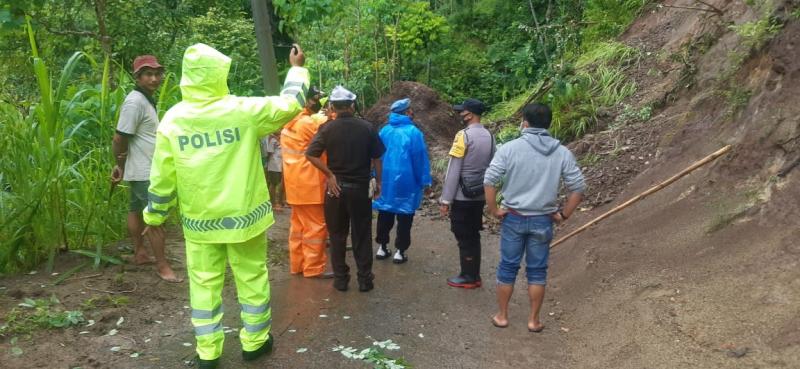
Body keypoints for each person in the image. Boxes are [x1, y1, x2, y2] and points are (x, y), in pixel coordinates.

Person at [142, 43, 309, 369]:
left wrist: (155, 215)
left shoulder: (174, 120)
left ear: (187, 79)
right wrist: (297, 68)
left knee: (203, 285)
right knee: (252, 278)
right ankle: (255, 343)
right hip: (244, 217)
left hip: (201, 223)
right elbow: (291, 104)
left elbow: (161, 177)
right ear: (220, 74)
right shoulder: (242, 111)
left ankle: (208, 352)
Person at [484, 103, 585, 332]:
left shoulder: (510, 149)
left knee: (508, 268)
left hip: (514, 217)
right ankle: (533, 321)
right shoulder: (562, 152)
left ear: (525, 123)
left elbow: (489, 181)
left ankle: (502, 316)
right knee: (537, 271)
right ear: (548, 124)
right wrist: (564, 214)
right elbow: (578, 188)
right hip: (543, 220)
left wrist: (494, 210)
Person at [306, 86, 385, 292]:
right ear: (352, 105)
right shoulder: (366, 128)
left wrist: (330, 175)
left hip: (335, 190)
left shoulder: (327, 128)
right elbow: (377, 157)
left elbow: (311, 154)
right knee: (362, 234)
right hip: (360, 190)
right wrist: (379, 182)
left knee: (337, 235)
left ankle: (341, 280)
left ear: (332, 106)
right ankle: (365, 280)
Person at [110, 55, 181, 283]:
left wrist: (121, 165)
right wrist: (120, 165)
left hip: (142, 166)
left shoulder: (145, 99)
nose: (154, 78)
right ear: (138, 77)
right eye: (148, 74)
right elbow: (119, 138)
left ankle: (140, 252)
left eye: (157, 73)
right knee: (155, 217)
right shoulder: (135, 102)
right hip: (144, 170)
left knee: (135, 209)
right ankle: (163, 266)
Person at [439, 98, 494, 289]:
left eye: (462, 111)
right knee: (473, 233)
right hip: (479, 194)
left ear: (469, 114)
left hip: (462, 196)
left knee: (463, 234)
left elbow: (454, 169)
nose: (460, 114)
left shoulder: (463, 135)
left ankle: (469, 276)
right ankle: (473, 274)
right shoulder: (490, 135)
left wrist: (446, 199)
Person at [280, 87, 333, 278]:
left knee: (298, 228)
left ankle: (298, 265)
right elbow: (328, 140)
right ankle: (314, 268)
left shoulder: (288, 123)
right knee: (315, 227)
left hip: (294, 186)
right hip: (311, 185)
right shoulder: (307, 124)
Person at [372, 98, 432, 264]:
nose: (412, 112)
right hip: (407, 179)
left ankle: (382, 247)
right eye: (410, 109)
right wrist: (425, 181)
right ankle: (400, 251)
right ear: (406, 112)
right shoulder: (414, 133)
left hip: (386, 178)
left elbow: (376, 156)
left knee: (385, 212)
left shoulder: (384, 131)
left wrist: (374, 177)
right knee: (405, 214)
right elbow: (420, 159)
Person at [262, 133, 285, 210]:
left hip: (279, 165)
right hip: (273, 165)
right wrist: (267, 163)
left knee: (277, 183)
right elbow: (269, 152)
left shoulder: (279, 139)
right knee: (274, 184)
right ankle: (274, 203)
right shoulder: (273, 140)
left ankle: (279, 202)